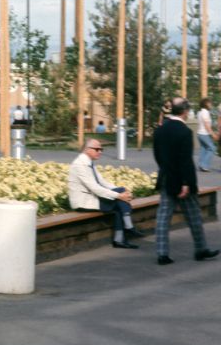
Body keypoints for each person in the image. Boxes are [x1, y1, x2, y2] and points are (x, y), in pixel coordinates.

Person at [153, 97, 218, 265]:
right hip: (183, 182)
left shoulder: (160, 130)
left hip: (167, 178)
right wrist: (186, 183)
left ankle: (162, 254)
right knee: (194, 216)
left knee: (162, 218)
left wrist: (166, 170)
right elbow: (185, 161)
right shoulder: (184, 132)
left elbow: (157, 155)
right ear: (185, 112)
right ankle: (201, 249)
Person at [68, 139, 144, 249]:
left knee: (120, 196)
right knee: (119, 201)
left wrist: (121, 192)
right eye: (97, 149)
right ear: (87, 150)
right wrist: (119, 195)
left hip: (92, 198)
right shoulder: (80, 164)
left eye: (101, 149)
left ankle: (120, 239)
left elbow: (102, 182)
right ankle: (129, 227)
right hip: (83, 202)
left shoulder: (88, 162)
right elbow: (95, 188)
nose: (100, 152)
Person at [196, 98, 215, 172]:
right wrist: (212, 134)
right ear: (206, 104)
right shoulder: (205, 112)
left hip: (200, 133)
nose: (211, 104)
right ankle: (204, 165)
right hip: (204, 134)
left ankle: (201, 165)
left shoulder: (200, 112)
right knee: (212, 148)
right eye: (210, 103)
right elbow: (206, 125)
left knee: (204, 149)